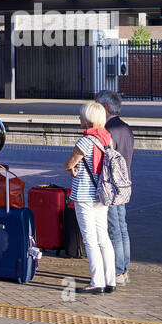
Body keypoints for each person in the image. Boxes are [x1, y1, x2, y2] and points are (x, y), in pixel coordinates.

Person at [64, 101, 117, 295]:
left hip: (85, 195)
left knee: (90, 240)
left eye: (81, 116)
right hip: (102, 194)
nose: (79, 118)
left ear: (88, 120)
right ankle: (110, 280)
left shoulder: (85, 141)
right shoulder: (107, 138)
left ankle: (97, 282)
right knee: (103, 237)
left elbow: (69, 163)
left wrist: (71, 168)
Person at [98, 90, 134, 286]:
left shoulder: (108, 131)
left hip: (111, 187)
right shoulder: (126, 128)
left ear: (104, 107)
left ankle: (119, 271)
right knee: (122, 228)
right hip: (124, 185)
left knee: (114, 229)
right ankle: (125, 269)